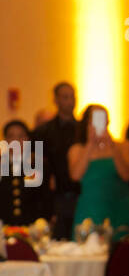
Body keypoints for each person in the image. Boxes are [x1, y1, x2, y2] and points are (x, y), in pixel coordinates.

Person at [68, 104, 129, 237]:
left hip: (119, 206)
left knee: (121, 248)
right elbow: (76, 175)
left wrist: (111, 146)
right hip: (91, 207)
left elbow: (127, 175)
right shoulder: (77, 150)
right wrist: (90, 144)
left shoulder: (123, 146)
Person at [34, 81, 79, 238]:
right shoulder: (43, 131)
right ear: (56, 100)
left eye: (73, 97)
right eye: (65, 97)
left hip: (79, 193)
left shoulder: (82, 130)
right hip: (54, 197)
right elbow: (35, 164)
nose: (70, 101)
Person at [0, 119, 49, 226]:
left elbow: (44, 199)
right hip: (4, 228)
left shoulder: (36, 165)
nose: (16, 141)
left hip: (31, 227)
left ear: (27, 139)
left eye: (20, 136)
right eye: (11, 136)